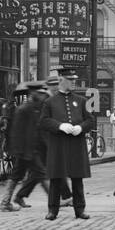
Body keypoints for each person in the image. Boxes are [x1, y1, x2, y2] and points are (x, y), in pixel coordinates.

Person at [38, 73, 95, 220]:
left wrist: (81, 128)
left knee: (77, 179)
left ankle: (80, 209)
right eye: (71, 80)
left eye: (75, 79)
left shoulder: (81, 101)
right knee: (56, 179)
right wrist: (60, 126)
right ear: (62, 81)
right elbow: (43, 122)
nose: (74, 82)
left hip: (76, 144)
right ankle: (52, 210)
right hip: (58, 145)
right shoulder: (50, 102)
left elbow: (90, 121)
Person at [3, 82, 50, 210]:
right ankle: (54, 200)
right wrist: (18, 150)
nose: (42, 96)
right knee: (41, 173)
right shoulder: (24, 109)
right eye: (40, 94)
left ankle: (6, 202)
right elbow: (16, 132)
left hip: (30, 149)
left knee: (16, 175)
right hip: (27, 150)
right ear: (33, 93)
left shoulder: (36, 108)